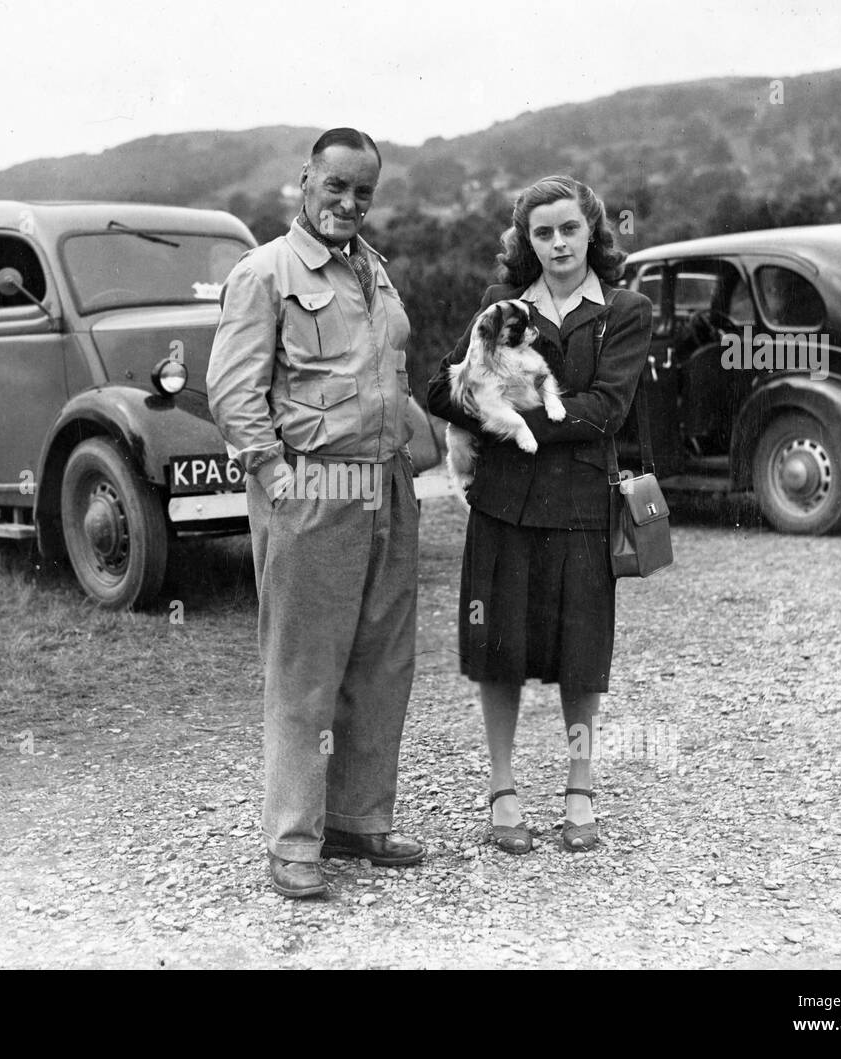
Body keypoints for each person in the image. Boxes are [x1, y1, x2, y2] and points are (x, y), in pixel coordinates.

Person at [207, 128, 424, 899]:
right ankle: (293, 840)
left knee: (380, 660)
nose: (349, 203)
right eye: (336, 186)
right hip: (313, 491)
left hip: (386, 489)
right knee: (305, 672)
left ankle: (360, 819)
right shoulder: (264, 272)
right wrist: (279, 479)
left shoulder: (377, 273)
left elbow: (390, 372)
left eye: (363, 191)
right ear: (305, 181)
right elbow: (233, 394)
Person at [427, 175, 653, 854]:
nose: (557, 243)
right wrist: (499, 410)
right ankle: (502, 789)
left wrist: (502, 416)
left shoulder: (624, 309)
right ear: (526, 241)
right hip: (503, 506)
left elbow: (606, 408)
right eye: (542, 232)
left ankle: (580, 790)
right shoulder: (500, 311)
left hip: (584, 504)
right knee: (500, 650)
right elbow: (443, 387)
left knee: (581, 655)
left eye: (569, 229)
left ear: (592, 232)